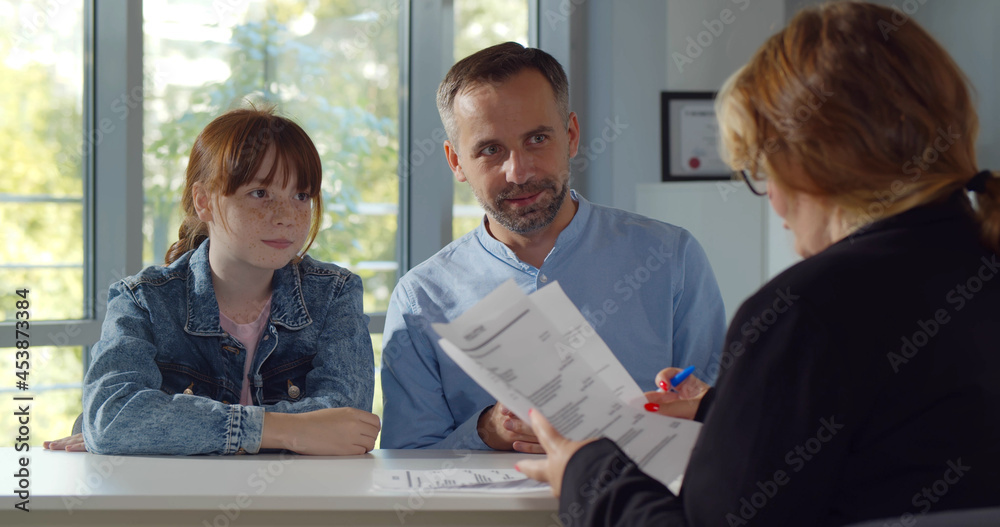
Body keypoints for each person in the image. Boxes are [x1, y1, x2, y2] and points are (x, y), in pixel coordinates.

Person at [517, 3, 1000, 525]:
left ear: (812, 161)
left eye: (763, 169)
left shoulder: (803, 314)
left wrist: (586, 473)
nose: (771, 198)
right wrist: (729, 410)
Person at [379, 43, 727, 453]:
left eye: (537, 139)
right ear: (456, 161)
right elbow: (406, 460)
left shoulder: (671, 258)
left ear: (571, 136)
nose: (518, 172)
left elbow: (728, 423)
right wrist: (486, 431)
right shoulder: (420, 297)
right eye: (490, 150)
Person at [44, 106, 380, 456]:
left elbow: (349, 426)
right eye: (260, 193)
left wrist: (163, 430)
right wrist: (285, 430)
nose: (285, 217)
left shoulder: (334, 294)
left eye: (301, 196)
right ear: (203, 201)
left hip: (298, 492)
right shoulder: (143, 301)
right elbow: (113, 419)